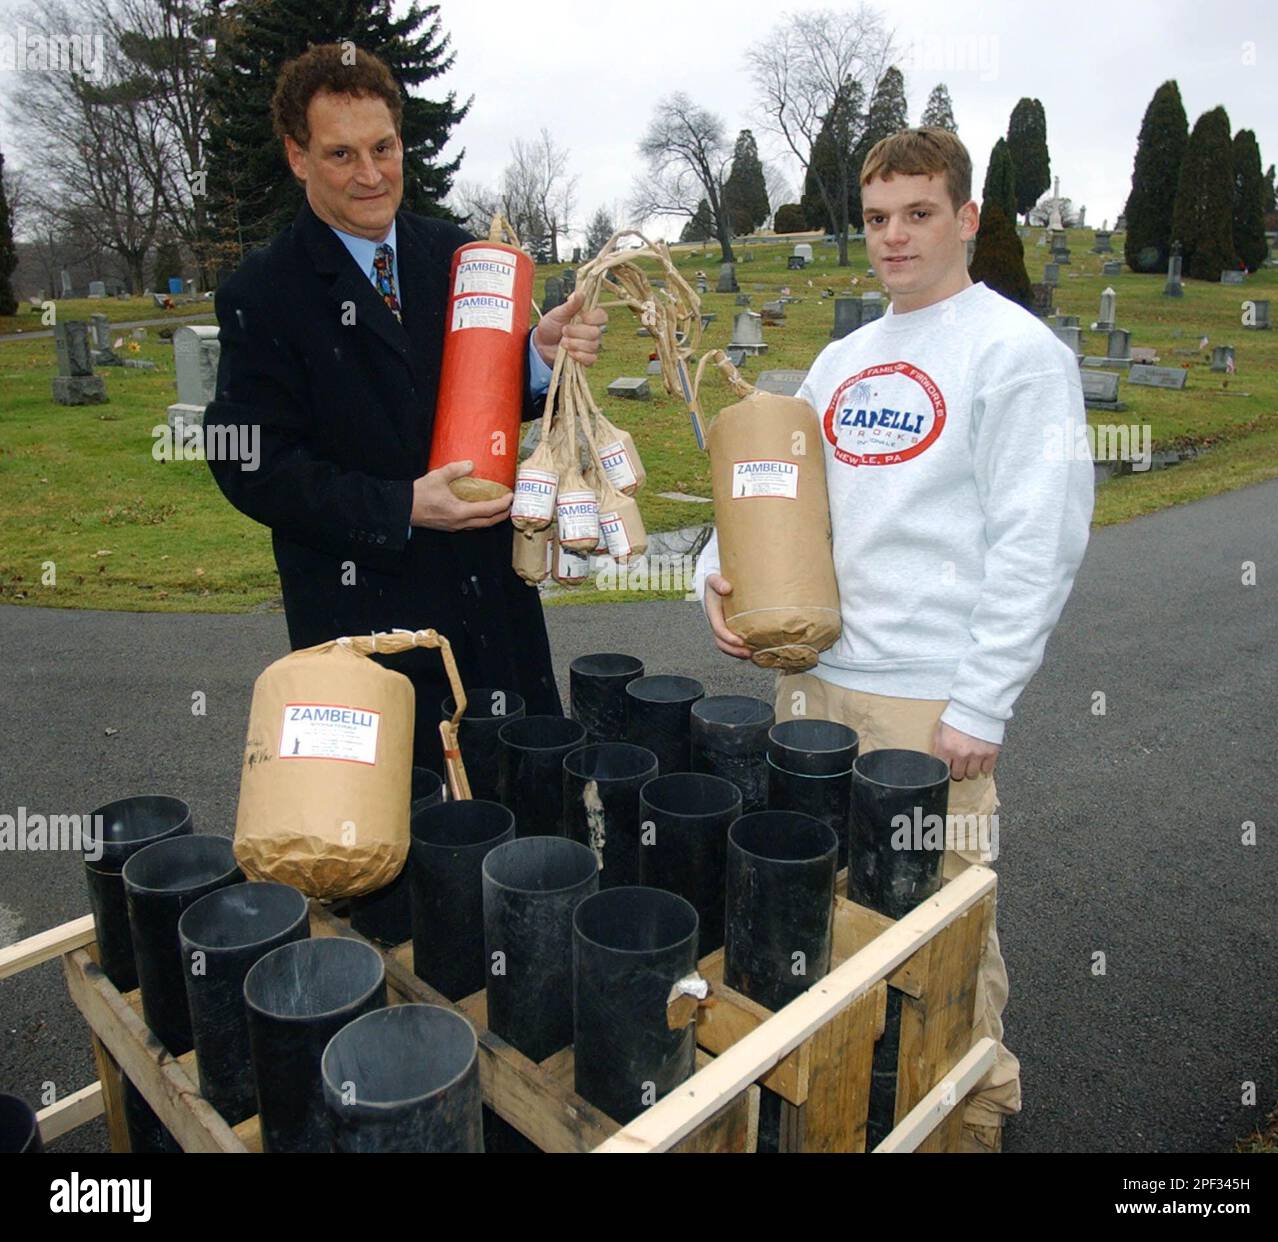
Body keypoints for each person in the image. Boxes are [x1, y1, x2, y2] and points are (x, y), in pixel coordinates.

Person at [694, 127, 1094, 1152]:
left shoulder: (1014, 355)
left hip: (928, 707)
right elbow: (775, 486)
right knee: (825, 912)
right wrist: (716, 574)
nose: (894, 237)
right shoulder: (844, 359)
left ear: (965, 218)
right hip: (817, 686)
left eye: (919, 213)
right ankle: (865, 1105)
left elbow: (1035, 540)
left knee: (942, 930)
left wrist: (982, 702)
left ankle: (971, 1112)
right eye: (876, 218)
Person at [204, 45, 605, 771]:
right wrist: (397, 507)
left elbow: (480, 397)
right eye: (341, 154)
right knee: (397, 841)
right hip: (364, 614)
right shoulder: (262, 292)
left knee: (524, 805)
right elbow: (247, 464)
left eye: (383, 147)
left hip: (492, 600)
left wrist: (539, 355)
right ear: (297, 158)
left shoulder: (458, 256)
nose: (370, 174)